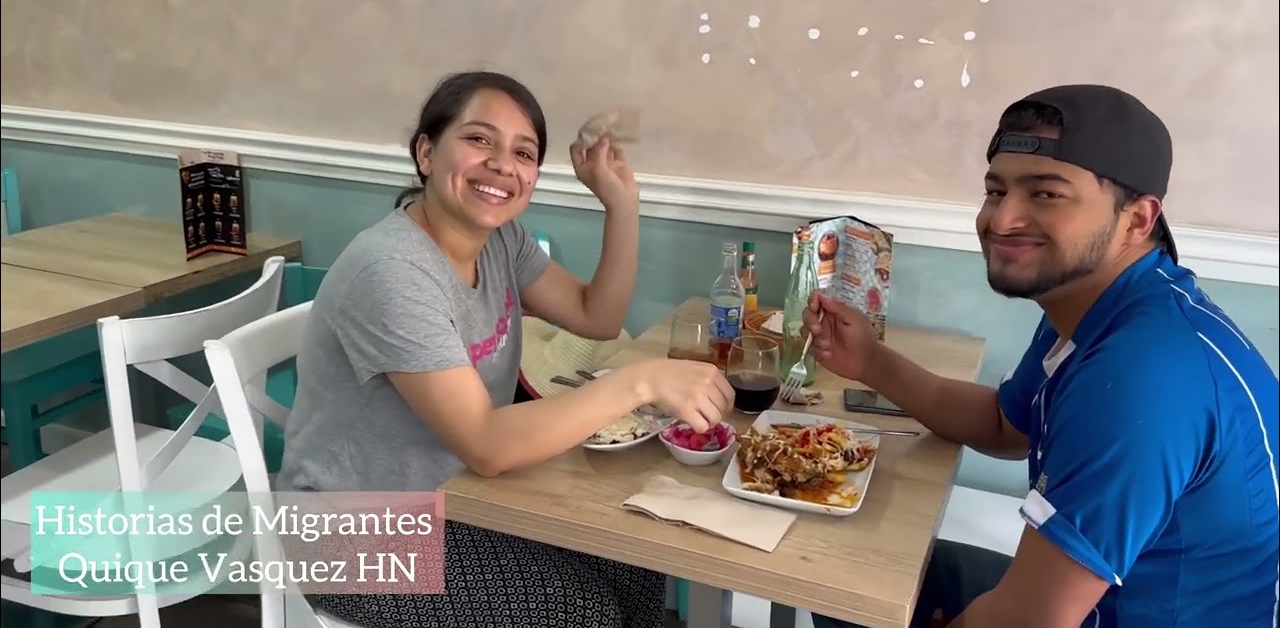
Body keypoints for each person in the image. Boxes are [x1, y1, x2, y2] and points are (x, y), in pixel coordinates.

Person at [805, 84, 1279, 628]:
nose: (1002, 220)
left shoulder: (1142, 376)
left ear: (1138, 219)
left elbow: (1031, 620)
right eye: (995, 191)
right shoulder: (1096, 304)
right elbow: (1004, 425)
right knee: (846, 576)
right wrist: (870, 362)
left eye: (1046, 194)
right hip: (1081, 603)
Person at [275, 70, 734, 628]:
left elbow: (598, 316)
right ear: (426, 152)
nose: (502, 165)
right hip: (350, 536)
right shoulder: (391, 272)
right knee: (584, 614)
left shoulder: (500, 240)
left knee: (633, 558)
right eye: (479, 139)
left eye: (523, 152)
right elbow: (487, 445)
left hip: (457, 497)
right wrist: (641, 381)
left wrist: (622, 204)